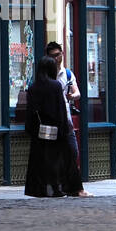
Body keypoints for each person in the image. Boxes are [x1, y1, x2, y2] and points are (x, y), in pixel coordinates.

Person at [45, 41, 90, 197]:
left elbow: (77, 93)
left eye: (58, 55)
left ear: (62, 54)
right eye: (52, 56)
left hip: (66, 121)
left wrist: (73, 95)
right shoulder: (45, 76)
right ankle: (58, 187)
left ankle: (70, 186)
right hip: (51, 122)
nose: (56, 59)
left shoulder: (68, 74)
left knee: (72, 152)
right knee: (53, 155)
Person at [24, 56, 71, 198]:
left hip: (38, 130)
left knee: (38, 161)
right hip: (54, 130)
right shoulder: (55, 86)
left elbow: (30, 111)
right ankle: (56, 188)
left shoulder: (33, 88)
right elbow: (60, 109)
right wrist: (64, 129)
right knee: (55, 160)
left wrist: (30, 129)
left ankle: (39, 189)